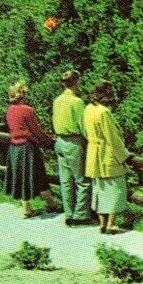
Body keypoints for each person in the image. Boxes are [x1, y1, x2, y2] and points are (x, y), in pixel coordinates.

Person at [2, 80, 58, 218]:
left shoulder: (9, 111)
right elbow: (36, 130)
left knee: (21, 178)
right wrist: (50, 140)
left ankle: (26, 209)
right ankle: (51, 205)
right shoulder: (28, 110)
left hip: (14, 147)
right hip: (28, 147)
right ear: (24, 95)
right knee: (40, 176)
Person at [83, 81, 130, 235]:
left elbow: (85, 131)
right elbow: (112, 138)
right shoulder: (104, 112)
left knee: (99, 189)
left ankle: (102, 224)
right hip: (106, 154)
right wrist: (124, 156)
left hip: (93, 153)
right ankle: (112, 223)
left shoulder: (88, 109)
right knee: (115, 188)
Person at [51, 69, 94, 227]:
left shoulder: (57, 100)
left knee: (66, 181)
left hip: (60, 141)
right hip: (73, 142)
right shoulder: (77, 102)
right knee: (82, 181)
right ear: (77, 81)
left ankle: (68, 213)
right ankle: (81, 214)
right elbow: (83, 125)